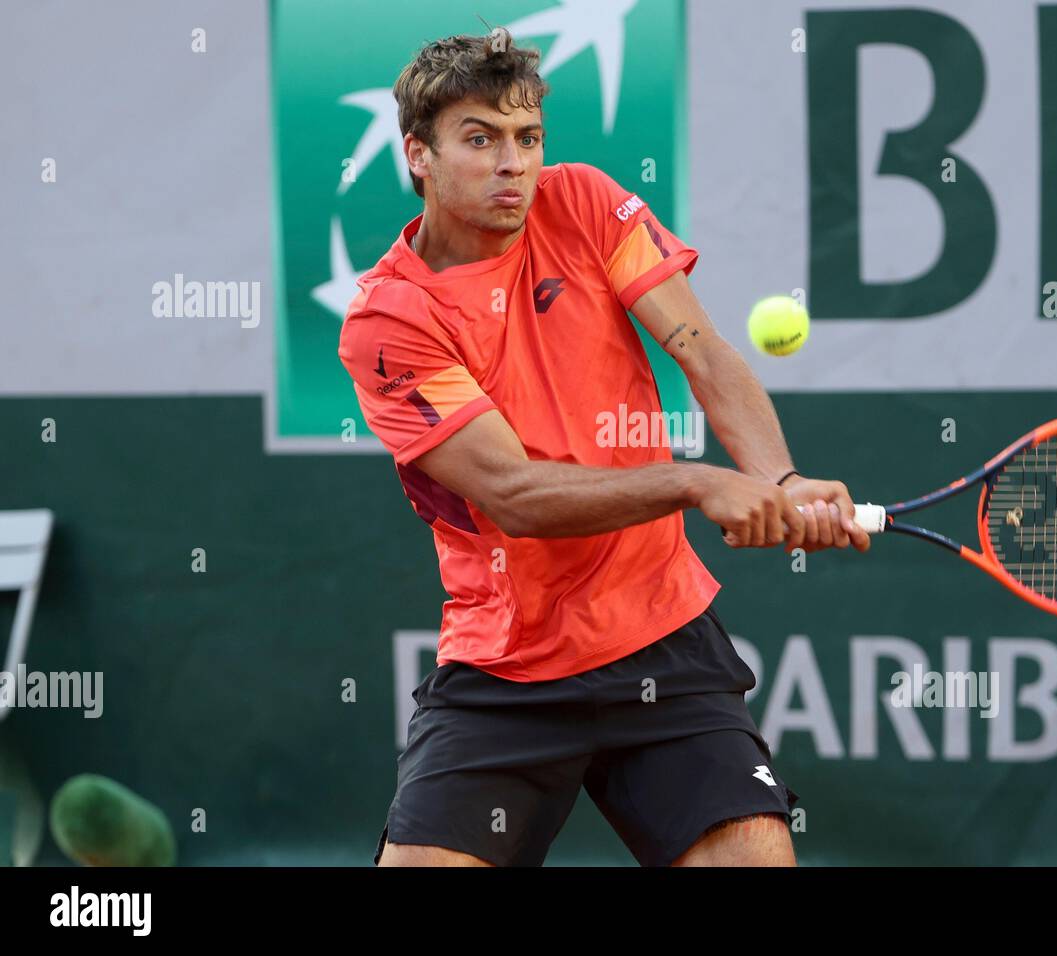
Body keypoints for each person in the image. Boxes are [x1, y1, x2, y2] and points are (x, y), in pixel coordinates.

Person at [337, 30, 871, 867]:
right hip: (507, 669)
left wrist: (780, 478)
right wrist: (698, 483)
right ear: (420, 156)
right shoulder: (390, 320)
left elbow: (700, 348)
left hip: (661, 634)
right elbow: (514, 494)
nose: (514, 164)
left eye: (528, 138)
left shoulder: (582, 202)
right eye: (480, 139)